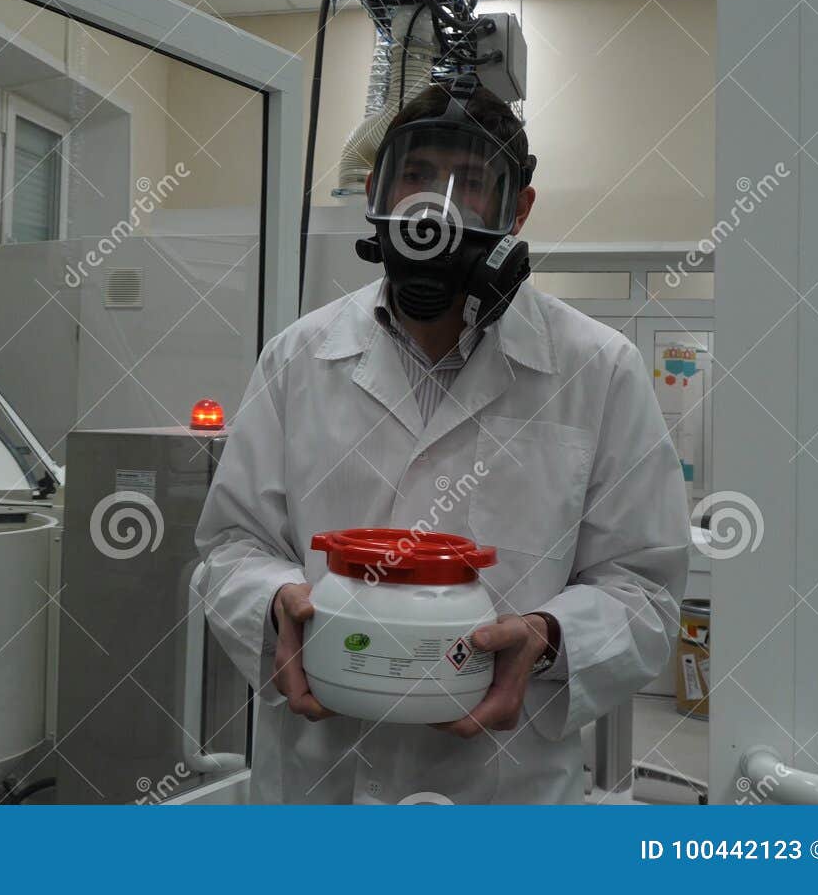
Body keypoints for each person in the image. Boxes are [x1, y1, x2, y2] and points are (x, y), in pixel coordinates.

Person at [194, 77, 689, 804]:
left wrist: (546, 638)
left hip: (499, 786)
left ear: (517, 210)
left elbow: (643, 588)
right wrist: (277, 607)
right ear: (377, 193)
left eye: (470, 183)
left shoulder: (597, 369)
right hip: (320, 774)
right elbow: (231, 547)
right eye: (417, 176)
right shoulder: (298, 357)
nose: (436, 205)